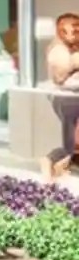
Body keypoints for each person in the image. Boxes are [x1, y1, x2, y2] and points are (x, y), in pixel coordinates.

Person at [42, 13, 79, 180]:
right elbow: (59, 76)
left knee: (72, 142)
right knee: (72, 143)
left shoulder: (72, 48)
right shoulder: (58, 49)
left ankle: (57, 168)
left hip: (73, 99)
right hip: (68, 99)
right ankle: (51, 163)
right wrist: (75, 62)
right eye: (75, 29)